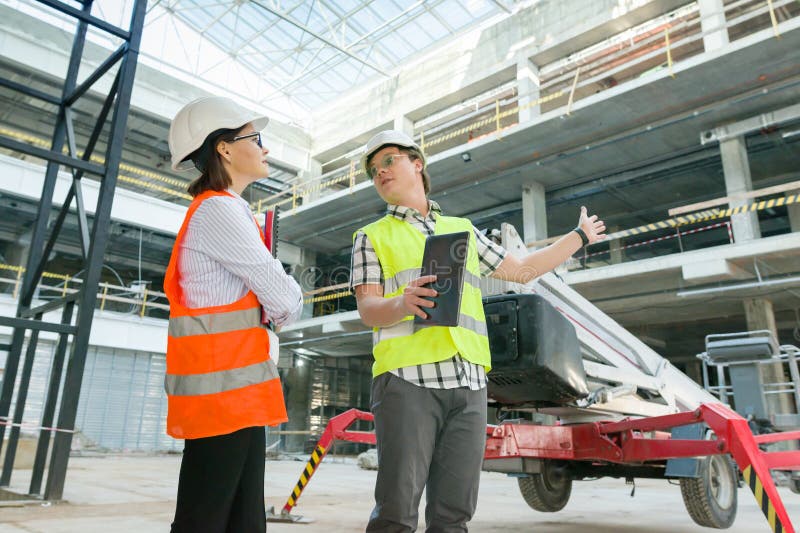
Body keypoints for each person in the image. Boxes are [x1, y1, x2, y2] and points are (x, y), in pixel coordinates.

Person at [351, 130, 606, 532]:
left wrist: (578, 237)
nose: (379, 172)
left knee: (454, 516)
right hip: (406, 384)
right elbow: (368, 309)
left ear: (416, 163)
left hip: (468, 385)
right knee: (396, 513)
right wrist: (401, 303)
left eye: (388, 161)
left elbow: (523, 271)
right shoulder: (371, 236)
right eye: (372, 170)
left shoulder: (461, 230)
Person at [164, 96, 303, 533]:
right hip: (223, 396)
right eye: (256, 139)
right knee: (205, 521)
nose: (266, 149)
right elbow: (284, 300)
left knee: (239, 521)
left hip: (233, 395)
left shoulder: (219, 210)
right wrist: (286, 292)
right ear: (224, 148)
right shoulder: (219, 210)